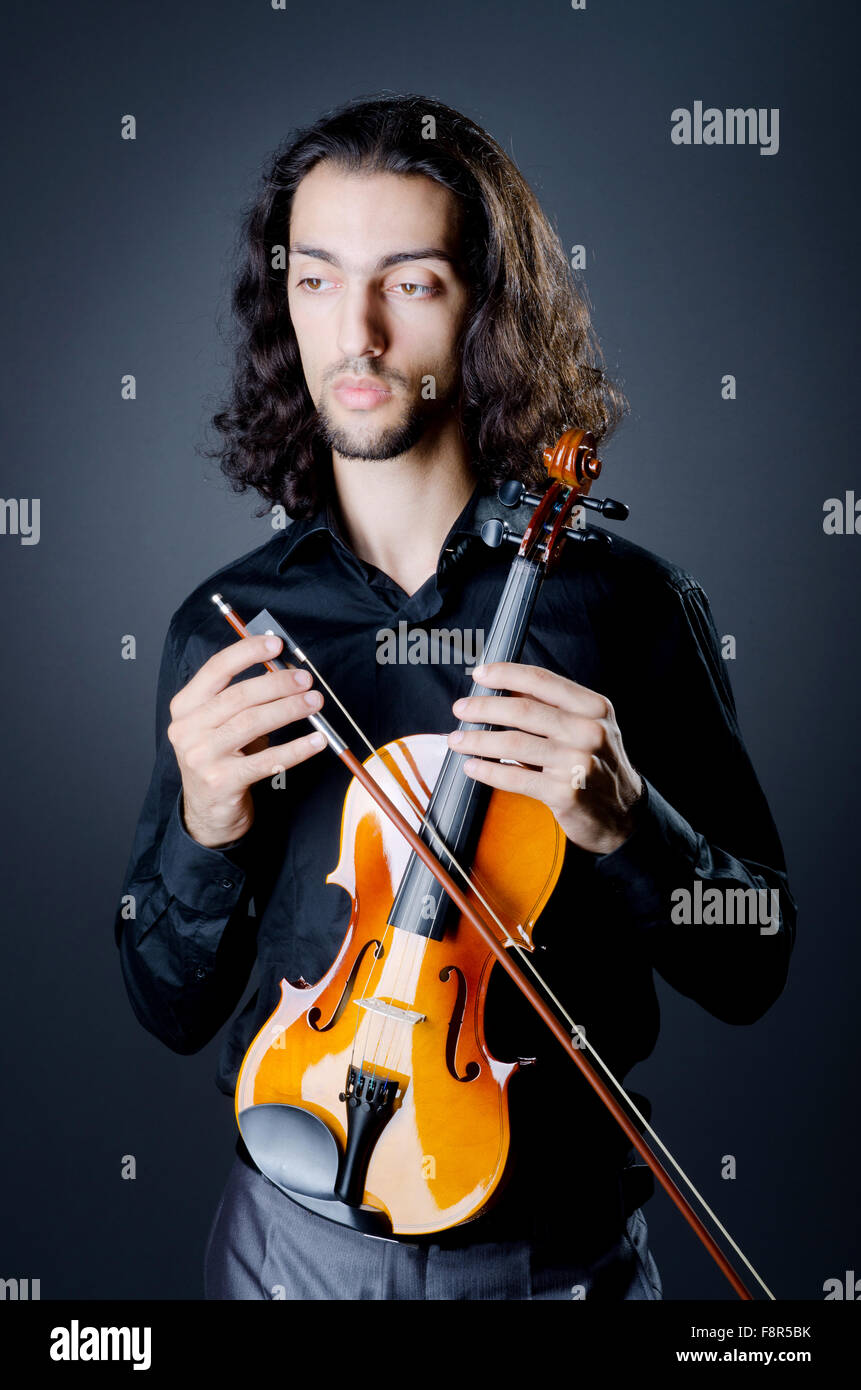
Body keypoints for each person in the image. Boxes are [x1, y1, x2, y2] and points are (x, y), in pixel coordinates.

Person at [114, 93, 795, 1301]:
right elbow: (167, 1005)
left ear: (487, 309)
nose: (356, 335)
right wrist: (207, 833)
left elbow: (754, 962)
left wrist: (633, 823)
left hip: (554, 1264)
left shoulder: (627, 609)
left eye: (411, 283)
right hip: (288, 1254)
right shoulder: (227, 630)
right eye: (316, 280)